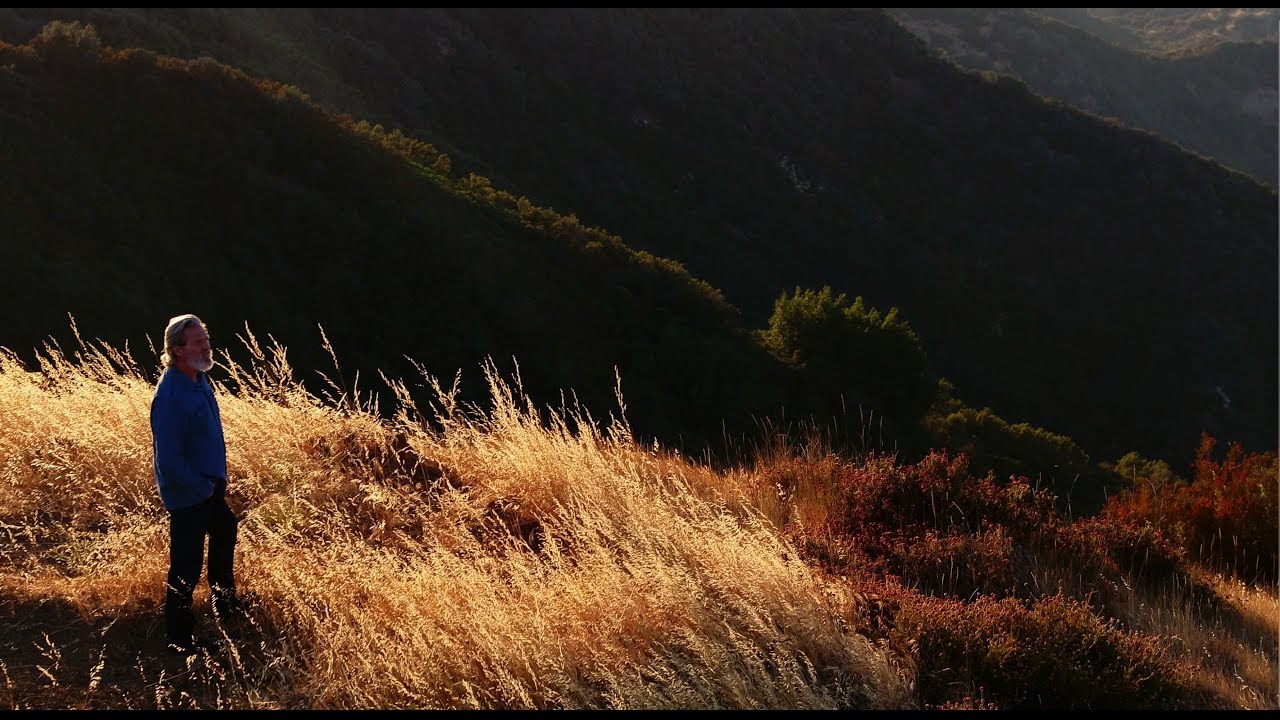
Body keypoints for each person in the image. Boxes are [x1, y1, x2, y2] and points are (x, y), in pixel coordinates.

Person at [150, 314, 241, 655]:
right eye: (198, 342)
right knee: (185, 569)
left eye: (206, 338)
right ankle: (179, 640)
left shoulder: (199, 379)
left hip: (209, 488)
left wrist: (215, 482)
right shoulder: (171, 395)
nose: (207, 345)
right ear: (177, 350)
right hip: (190, 496)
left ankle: (226, 606)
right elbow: (168, 462)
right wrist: (202, 488)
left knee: (225, 531)